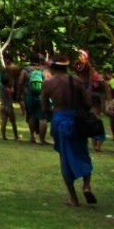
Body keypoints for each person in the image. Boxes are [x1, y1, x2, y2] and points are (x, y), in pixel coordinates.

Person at [41, 55, 96, 207]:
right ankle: (86, 186)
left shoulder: (47, 83)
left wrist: (56, 112)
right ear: (66, 67)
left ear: (52, 67)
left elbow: (44, 107)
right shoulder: (76, 80)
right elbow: (87, 103)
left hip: (59, 119)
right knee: (82, 153)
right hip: (76, 119)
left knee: (64, 158)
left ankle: (73, 198)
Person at [19, 54, 50, 145]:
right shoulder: (44, 70)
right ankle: (42, 140)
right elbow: (50, 81)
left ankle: (32, 137)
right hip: (42, 96)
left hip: (29, 96)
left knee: (31, 116)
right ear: (40, 61)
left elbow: (20, 83)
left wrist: (20, 95)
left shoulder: (25, 70)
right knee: (43, 118)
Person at [0, 67, 19, 141]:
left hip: (2, 105)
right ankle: (16, 136)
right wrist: (12, 85)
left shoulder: (1, 87)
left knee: (4, 121)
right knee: (13, 122)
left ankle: (3, 136)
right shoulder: (7, 89)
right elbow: (12, 91)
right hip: (8, 106)